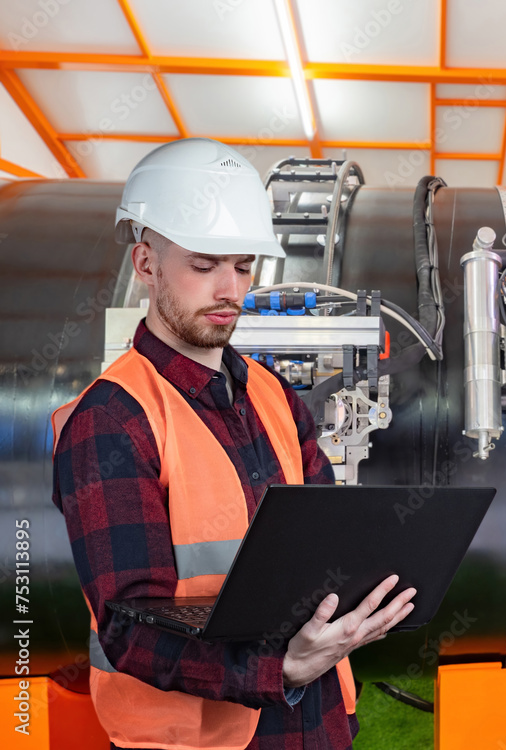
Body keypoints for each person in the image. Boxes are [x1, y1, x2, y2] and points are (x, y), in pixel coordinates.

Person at [50, 137, 416, 750]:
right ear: (146, 263)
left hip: (317, 722)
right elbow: (128, 629)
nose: (230, 289)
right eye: (204, 265)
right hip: (198, 737)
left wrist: (362, 603)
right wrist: (281, 669)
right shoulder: (113, 419)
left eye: (243, 266)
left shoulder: (272, 395)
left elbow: (326, 547)